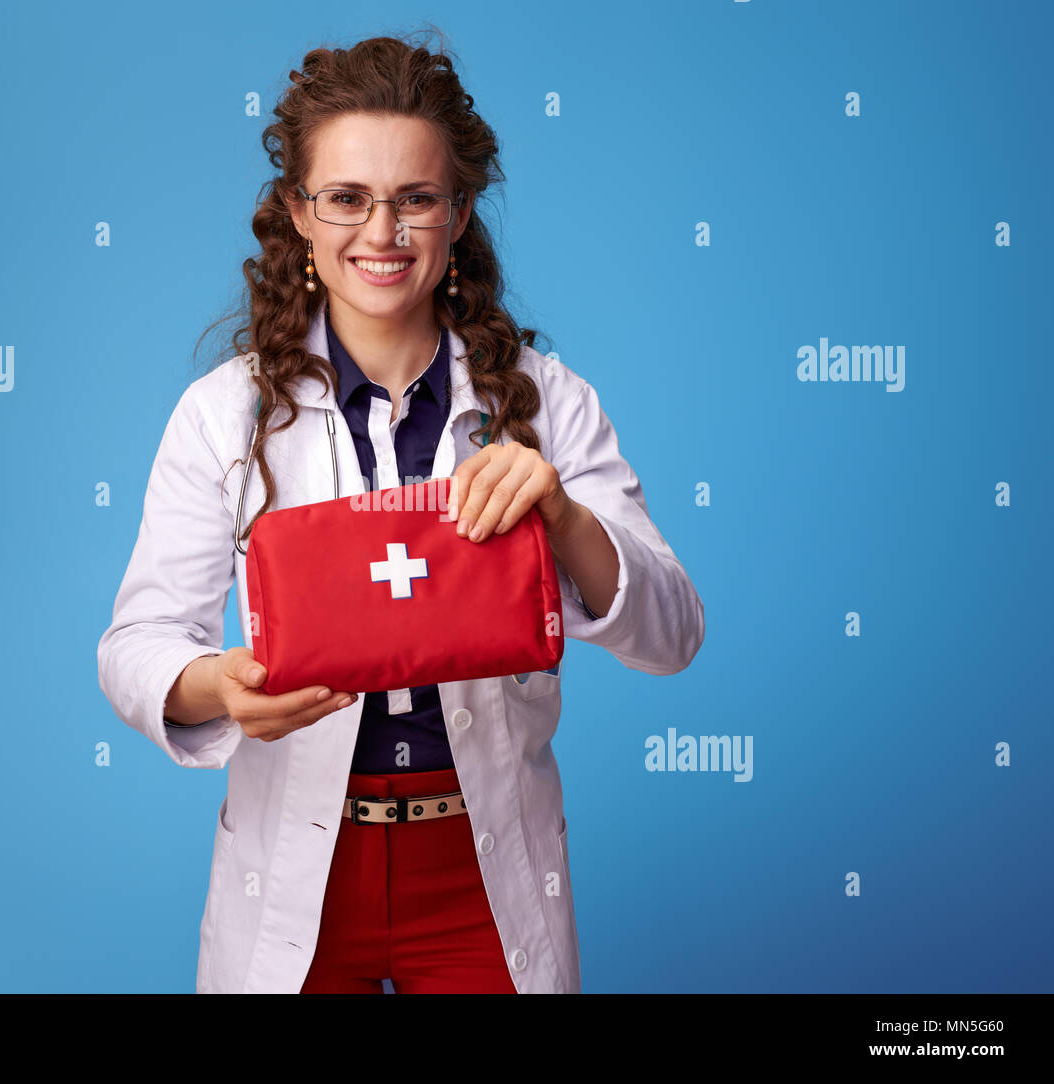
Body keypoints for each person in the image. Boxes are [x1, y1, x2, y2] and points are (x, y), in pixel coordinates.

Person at [96, 31, 705, 994]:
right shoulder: (222, 414)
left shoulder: (545, 403)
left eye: (415, 199)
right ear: (298, 211)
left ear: (459, 212)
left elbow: (674, 634)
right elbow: (134, 645)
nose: (381, 235)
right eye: (346, 199)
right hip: (298, 866)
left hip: (480, 866)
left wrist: (564, 520)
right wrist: (221, 685)